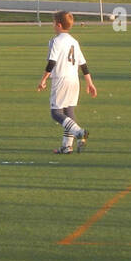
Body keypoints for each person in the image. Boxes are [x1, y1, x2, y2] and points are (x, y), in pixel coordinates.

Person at [36, 11, 95, 154]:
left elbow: (52, 62)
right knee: (68, 111)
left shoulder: (56, 41)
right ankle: (67, 146)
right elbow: (83, 64)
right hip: (74, 80)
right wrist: (90, 83)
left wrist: (43, 80)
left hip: (61, 79)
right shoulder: (74, 41)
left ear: (58, 25)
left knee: (56, 113)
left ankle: (79, 132)